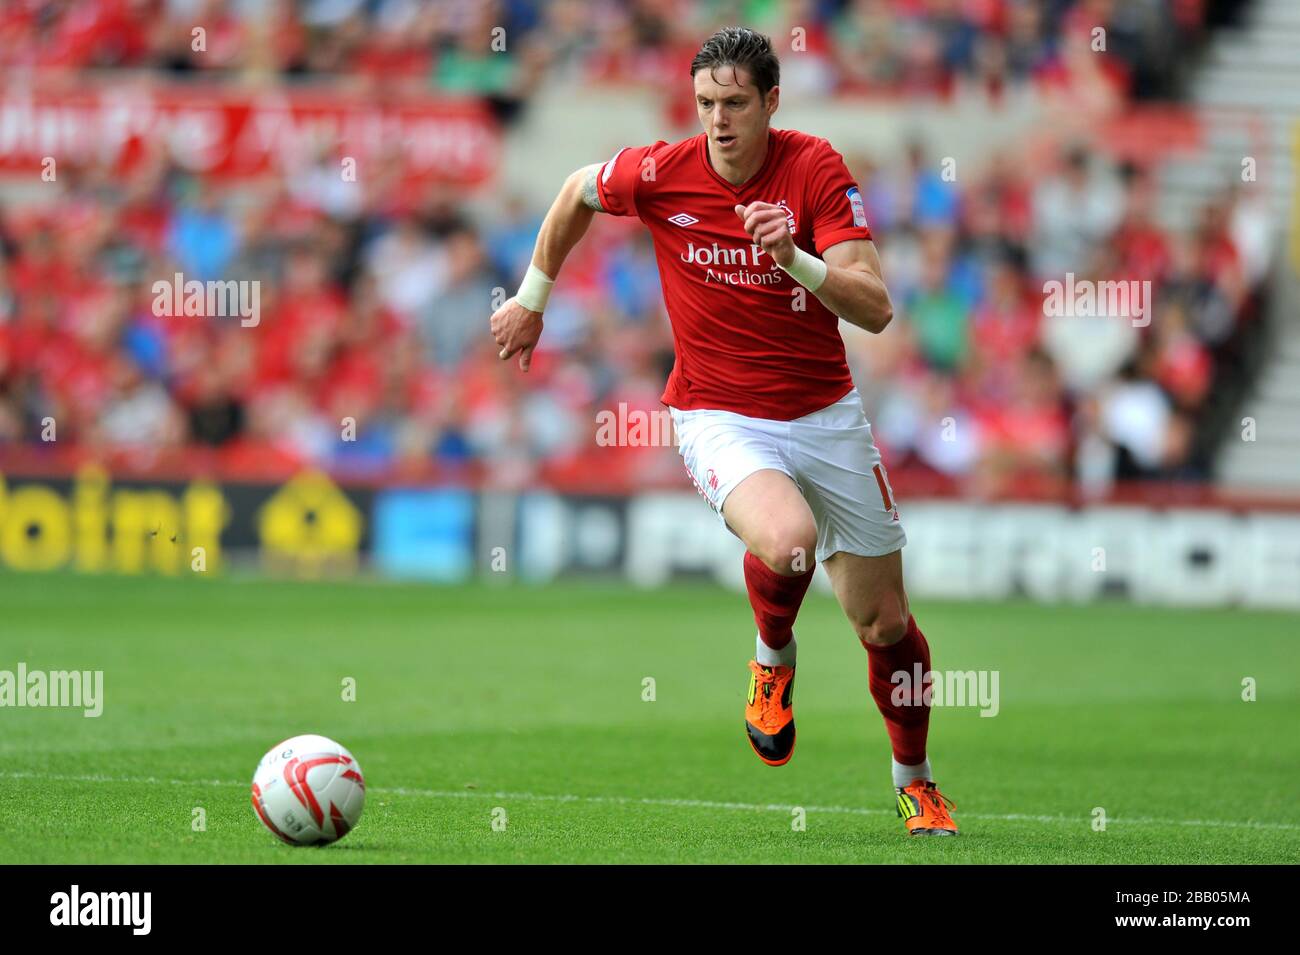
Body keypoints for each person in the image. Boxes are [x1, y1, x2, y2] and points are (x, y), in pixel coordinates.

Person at [489, 26, 957, 835]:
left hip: (827, 416)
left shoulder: (812, 168)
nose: (718, 119)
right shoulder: (662, 172)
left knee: (884, 623)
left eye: (735, 103)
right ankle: (772, 657)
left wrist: (799, 261)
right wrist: (534, 296)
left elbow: (877, 310)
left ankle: (916, 782)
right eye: (706, 103)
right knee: (789, 541)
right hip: (719, 414)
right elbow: (573, 192)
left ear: (772, 102)